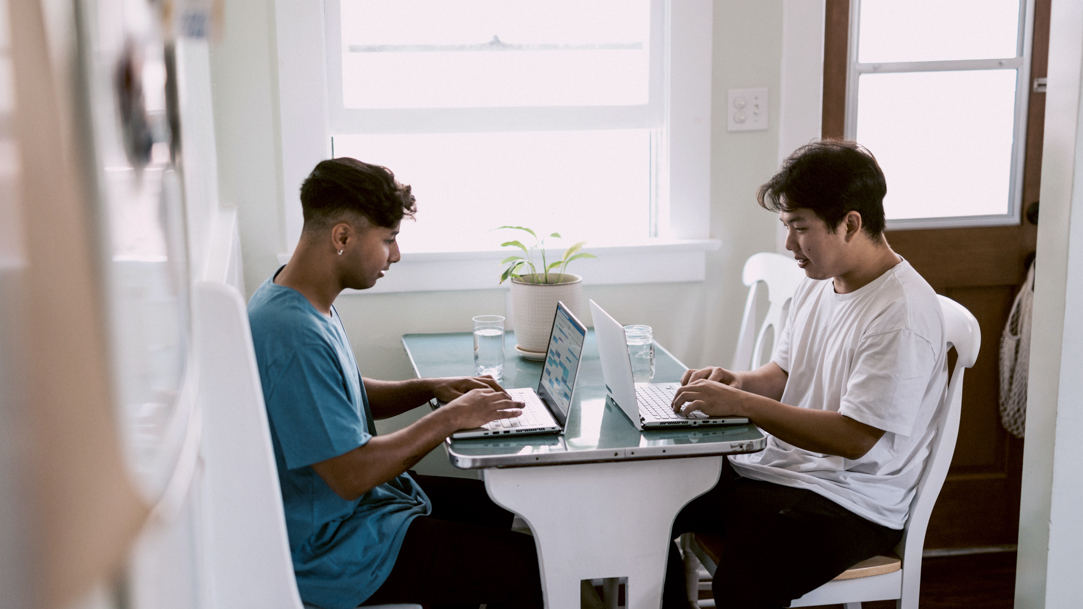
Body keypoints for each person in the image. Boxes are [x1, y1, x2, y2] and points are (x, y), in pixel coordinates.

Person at [247, 157, 543, 609]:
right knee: (532, 566)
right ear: (342, 236)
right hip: (338, 551)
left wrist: (428, 387)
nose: (396, 255)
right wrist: (452, 418)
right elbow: (351, 474)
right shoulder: (292, 333)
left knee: (511, 511)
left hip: (364, 515)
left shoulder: (293, 299)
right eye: (389, 239)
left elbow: (339, 393)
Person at [663, 140, 949, 609]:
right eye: (786, 227)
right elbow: (783, 372)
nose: (789, 245)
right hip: (786, 474)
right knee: (653, 502)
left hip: (852, 502)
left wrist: (742, 405)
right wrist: (735, 383)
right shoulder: (820, 282)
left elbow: (856, 438)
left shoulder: (902, 312)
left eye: (800, 228)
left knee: (747, 578)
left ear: (851, 223)